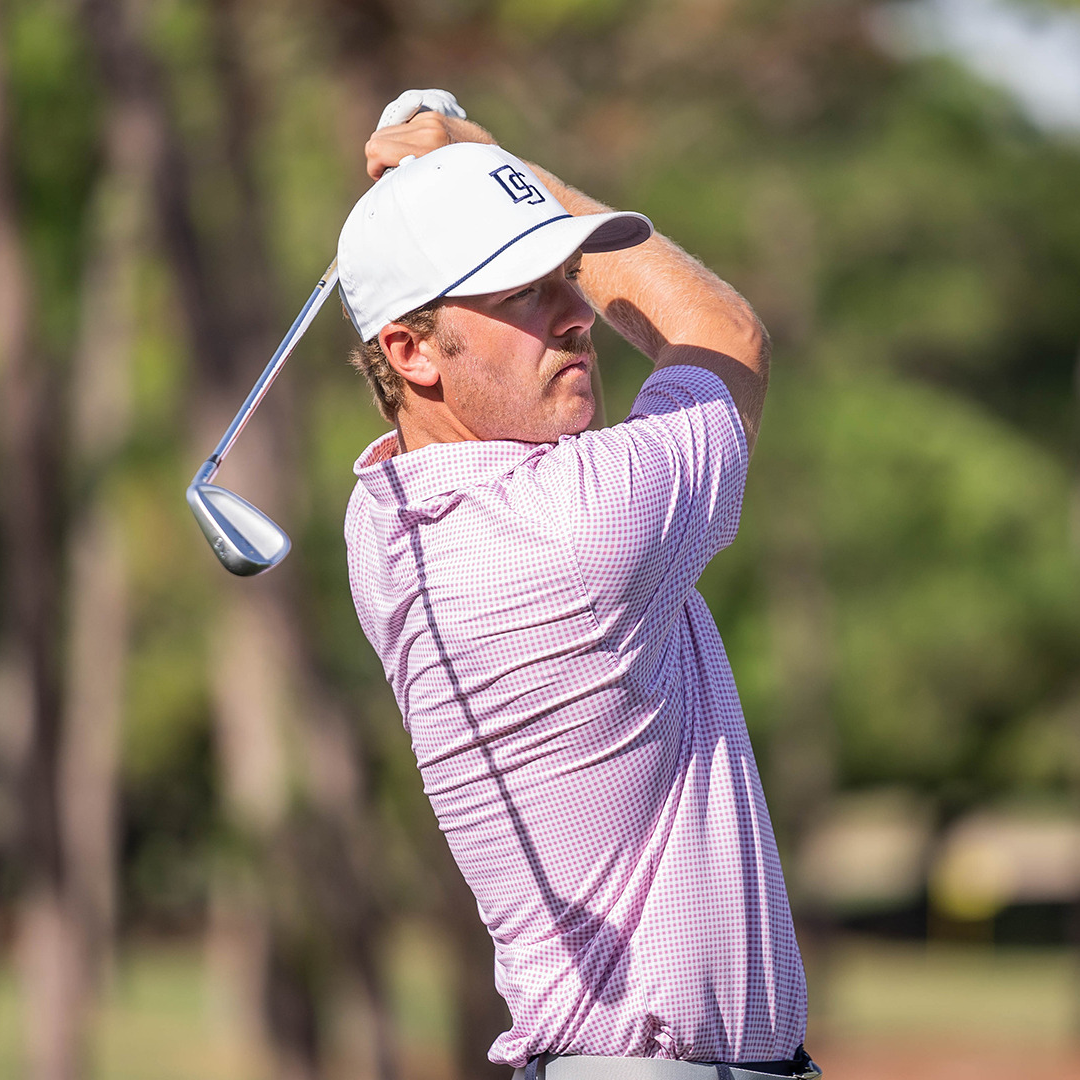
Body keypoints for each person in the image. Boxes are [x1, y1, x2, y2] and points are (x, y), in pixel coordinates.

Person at [338, 93, 816, 1080]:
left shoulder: (383, 521)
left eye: (568, 275)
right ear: (410, 350)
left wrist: (472, 193)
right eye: (523, 293)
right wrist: (488, 154)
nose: (578, 315)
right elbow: (724, 337)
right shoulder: (577, 525)